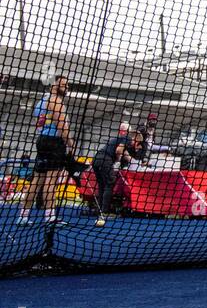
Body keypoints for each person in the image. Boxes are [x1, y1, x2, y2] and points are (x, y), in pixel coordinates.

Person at [19, 75, 77, 227]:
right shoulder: (55, 101)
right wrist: (71, 144)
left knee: (37, 180)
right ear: (54, 86)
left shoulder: (42, 101)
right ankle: (50, 217)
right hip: (54, 143)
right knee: (51, 180)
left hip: (42, 141)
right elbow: (62, 126)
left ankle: (23, 216)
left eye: (67, 85)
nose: (67, 88)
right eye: (63, 85)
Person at [91, 129, 144, 225]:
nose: (136, 145)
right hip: (105, 159)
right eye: (137, 142)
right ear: (135, 138)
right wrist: (118, 159)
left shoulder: (122, 139)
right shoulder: (128, 138)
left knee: (102, 185)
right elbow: (119, 150)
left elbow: (127, 156)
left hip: (96, 159)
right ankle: (104, 211)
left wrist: (140, 163)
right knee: (110, 182)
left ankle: (99, 211)